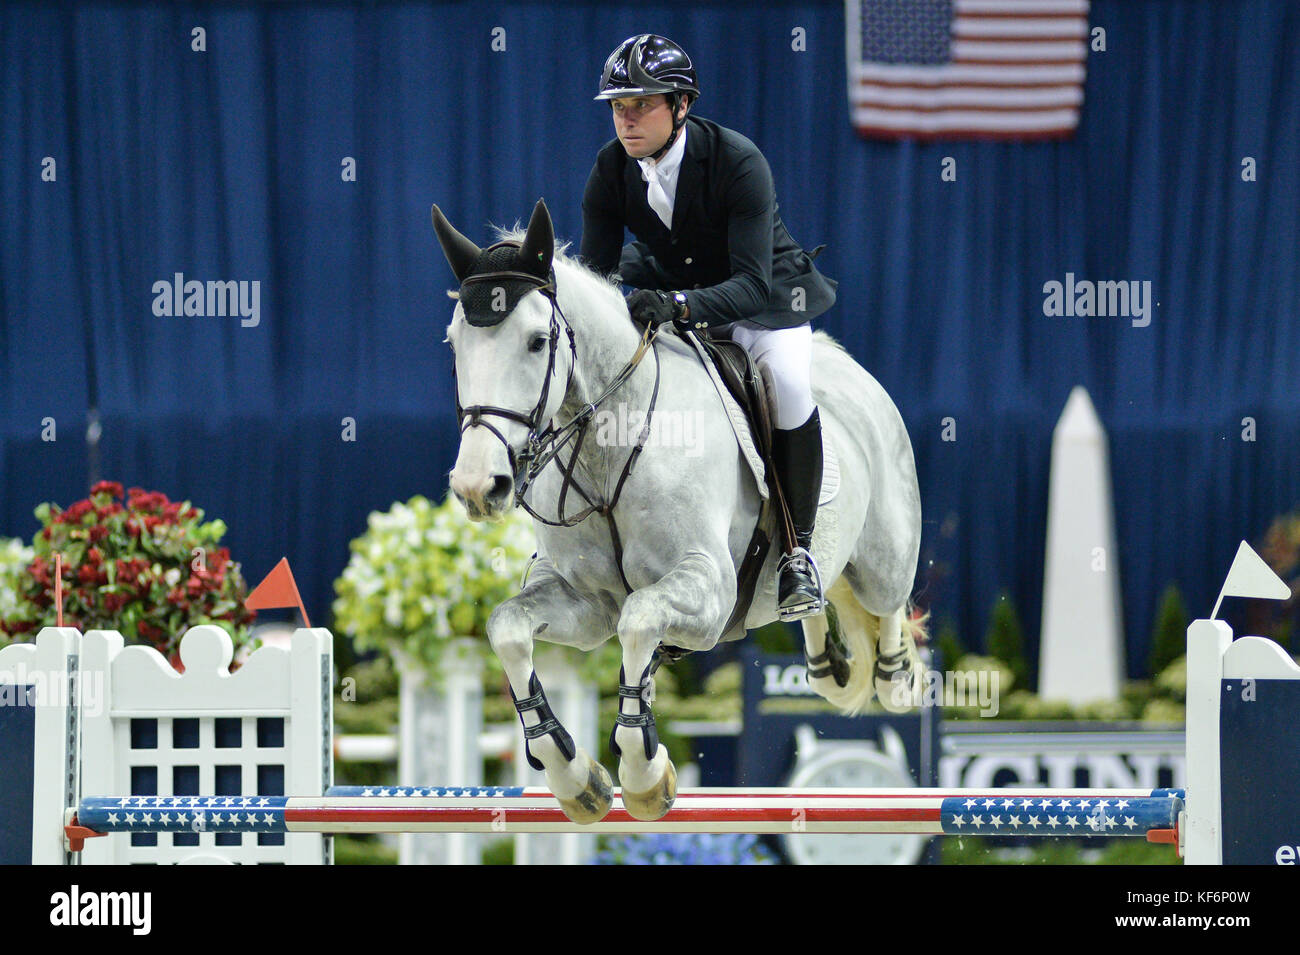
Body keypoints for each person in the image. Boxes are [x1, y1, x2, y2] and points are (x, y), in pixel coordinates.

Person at [579, 33, 839, 621]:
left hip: (762, 301)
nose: (627, 119)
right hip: (679, 297)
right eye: (619, 107)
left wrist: (675, 304)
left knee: (790, 384)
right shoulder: (610, 168)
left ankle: (798, 553)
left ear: (682, 105)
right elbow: (595, 279)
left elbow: (749, 285)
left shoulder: (737, 160)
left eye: (642, 104)